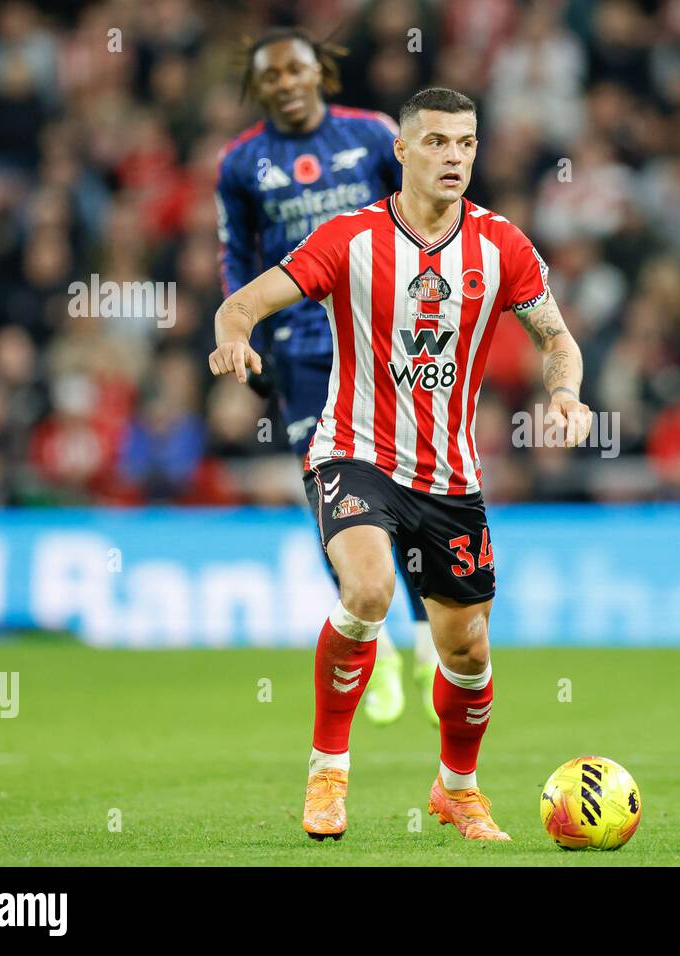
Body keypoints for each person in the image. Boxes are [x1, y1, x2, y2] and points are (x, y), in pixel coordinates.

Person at [209, 87, 593, 841]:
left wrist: (569, 395)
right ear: (404, 150)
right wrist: (233, 337)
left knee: (467, 650)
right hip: (354, 450)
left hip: (450, 476)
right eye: (440, 142)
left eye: (468, 144)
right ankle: (327, 774)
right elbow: (243, 303)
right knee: (368, 587)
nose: (455, 157)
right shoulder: (348, 238)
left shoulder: (503, 245)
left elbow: (557, 339)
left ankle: (457, 789)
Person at [216, 28, 435, 725]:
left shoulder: (374, 137)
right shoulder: (240, 164)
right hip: (301, 352)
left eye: (296, 69)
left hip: (386, 341)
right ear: (259, 89)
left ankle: (431, 642)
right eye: (271, 75)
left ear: (321, 74)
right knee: (335, 502)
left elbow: (425, 221)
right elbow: (235, 259)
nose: (285, 82)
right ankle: (371, 642)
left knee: (409, 490)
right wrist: (245, 335)